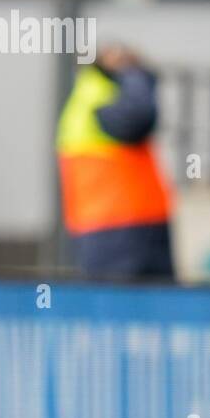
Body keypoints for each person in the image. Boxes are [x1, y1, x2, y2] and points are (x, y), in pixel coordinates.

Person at [56, 45, 174, 279]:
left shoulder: (91, 94)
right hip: (117, 230)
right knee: (133, 308)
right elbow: (138, 117)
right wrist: (134, 74)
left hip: (126, 226)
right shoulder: (100, 93)